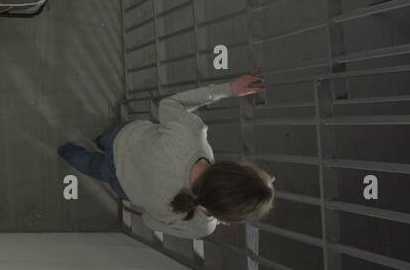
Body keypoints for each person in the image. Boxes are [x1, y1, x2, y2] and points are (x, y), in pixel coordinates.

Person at [57, 75, 275, 239]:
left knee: (106, 139)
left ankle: (98, 140)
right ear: (225, 217)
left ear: (231, 168)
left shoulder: (191, 136)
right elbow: (149, 220)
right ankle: (67, 151)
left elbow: (169, 104)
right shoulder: (201, 227)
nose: (272, 177)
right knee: (89, 165)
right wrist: (213, 216)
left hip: (124, 140)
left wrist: (227, 89)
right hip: (122, 181)